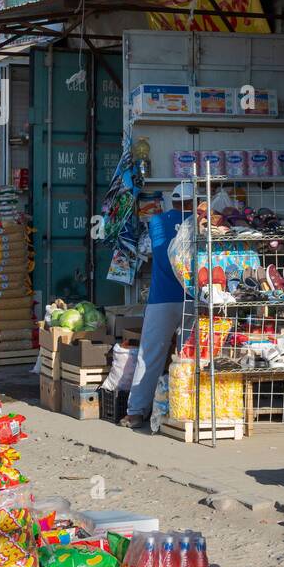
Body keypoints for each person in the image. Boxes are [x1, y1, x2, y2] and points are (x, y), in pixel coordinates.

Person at [121, 183, 192, 429]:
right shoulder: (202, 223)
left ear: (172, 201)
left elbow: (161, 252)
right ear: (194, 201)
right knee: (191, 358)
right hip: (194, 299)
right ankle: (186, 411)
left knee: (150, 355)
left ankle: (136, 412)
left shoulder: (156, 222)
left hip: (162, 298)